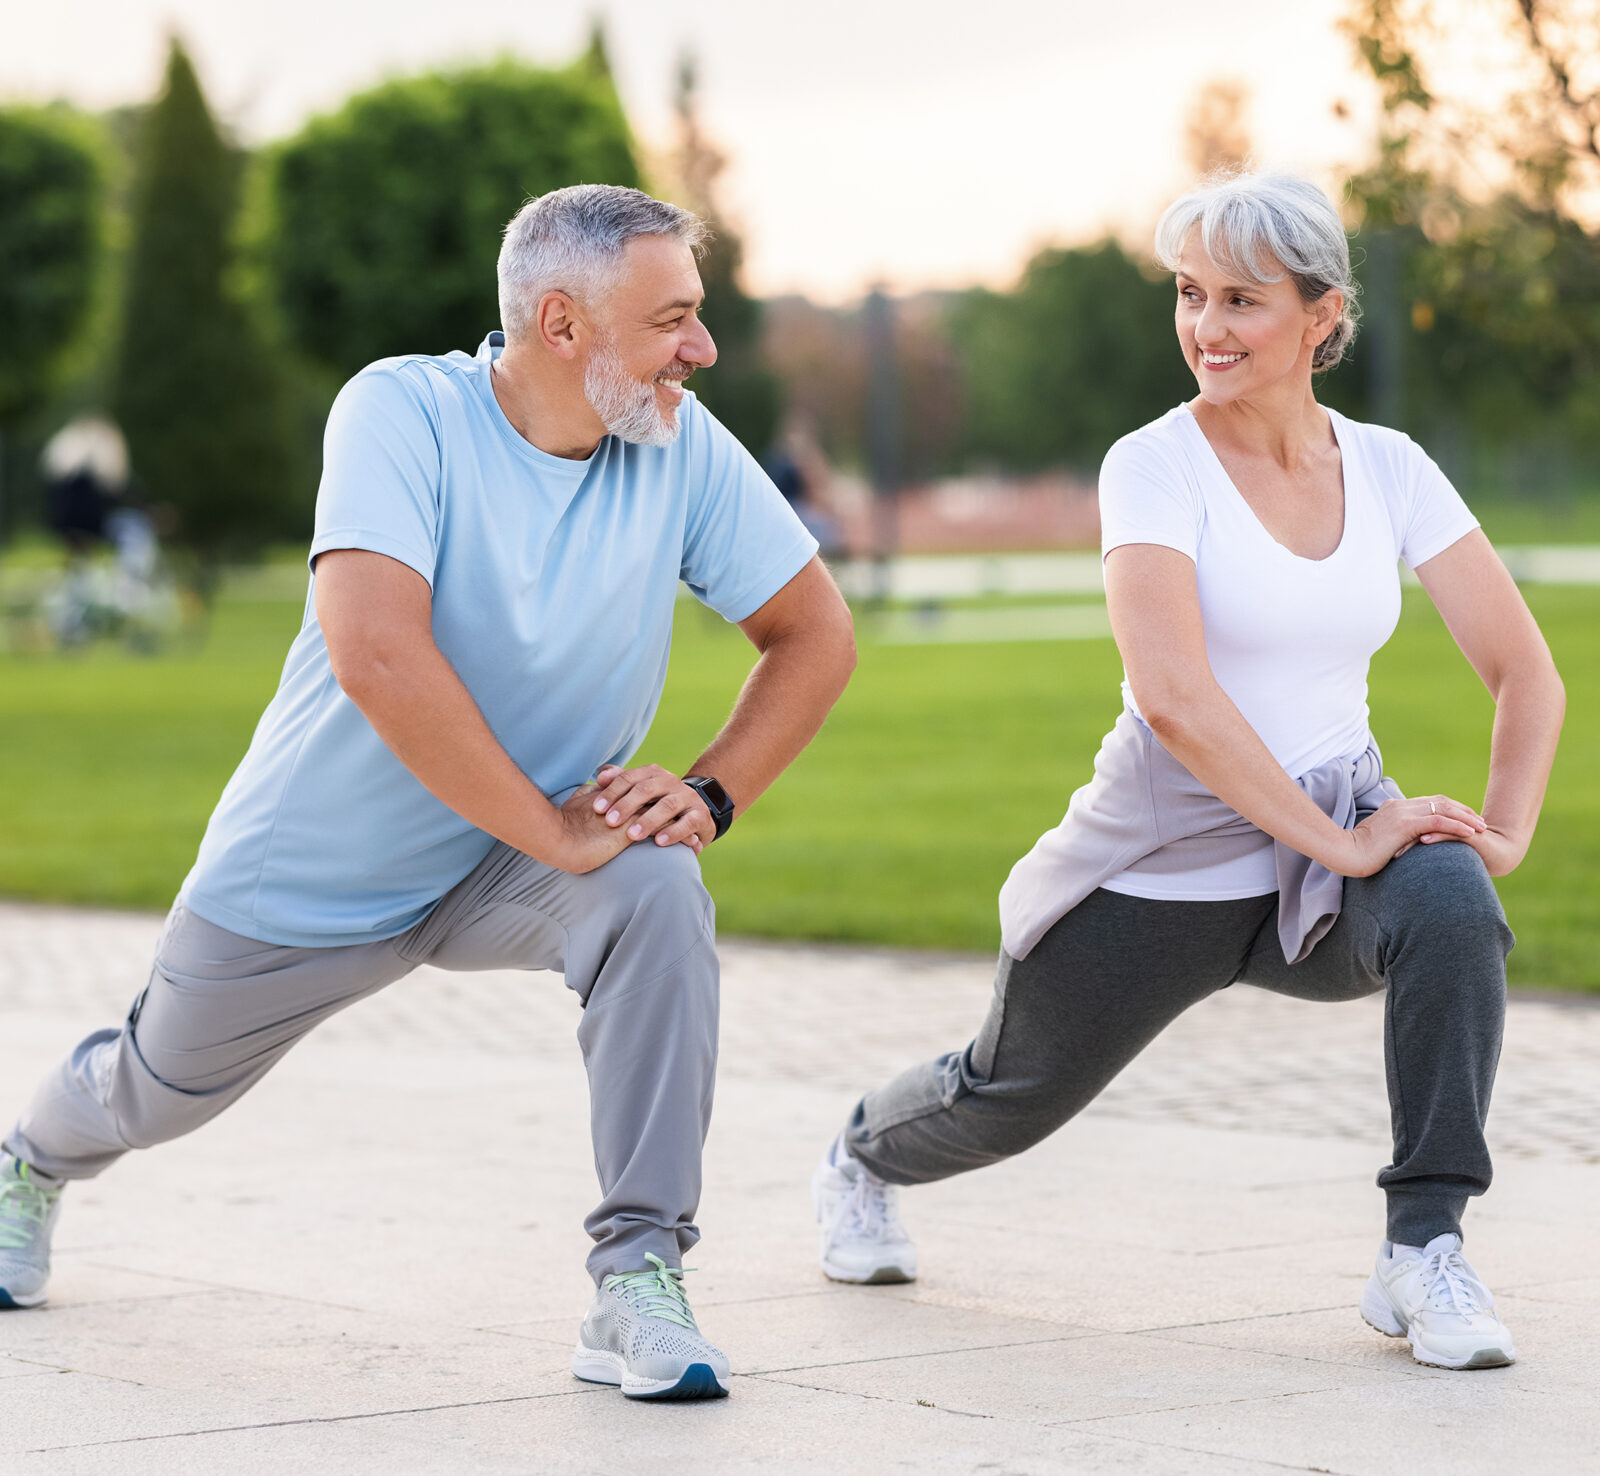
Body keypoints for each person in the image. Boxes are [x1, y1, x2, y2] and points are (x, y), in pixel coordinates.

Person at [0, 185, 856, 1402]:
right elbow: (377, 652)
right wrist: (554, 827)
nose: (701, 350)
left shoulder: (679, 445)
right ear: (562, 324)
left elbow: (812, 632)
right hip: (311, 877)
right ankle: (28, 1163)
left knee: (658, 886)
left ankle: (637, 1278)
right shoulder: (402, 410)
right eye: (672, 320)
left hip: (514, 869)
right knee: (150, 1089)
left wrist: (709, 797)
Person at [812, 172, 1563, 1373]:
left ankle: (1421, 1250)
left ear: (1321, 316)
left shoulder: (1389, 467)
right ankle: (859, 1156)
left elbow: (1527, 675)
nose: (1205, 327)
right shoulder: (1152, 466)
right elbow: (1175, 698)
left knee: (1453, 903)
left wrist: (1501, 837)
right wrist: (1349, 843)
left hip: (1324, 851)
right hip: (1161, 863)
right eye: (1188, 293)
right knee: (1005, 1097)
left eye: (1241, 301)